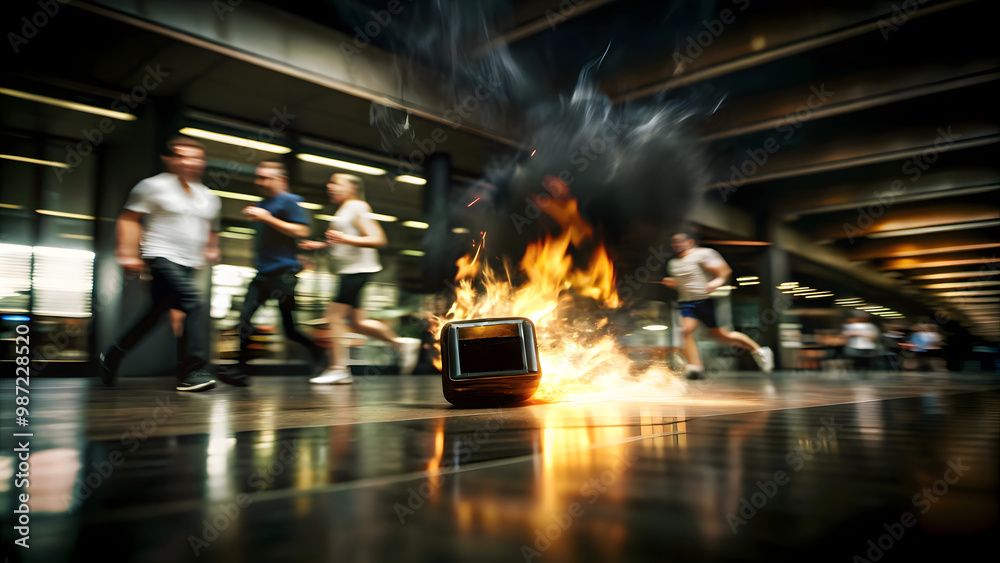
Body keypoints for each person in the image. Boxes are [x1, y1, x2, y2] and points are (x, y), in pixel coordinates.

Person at [98, 136, 221, 392]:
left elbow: (210, 227)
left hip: (188, 263)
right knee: (193, 302)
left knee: (154, 316)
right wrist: (127, 251)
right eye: (182, 156)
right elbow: (129, 219)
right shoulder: (152, 187)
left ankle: (112, 355)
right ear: (170, 159)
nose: (190, 162)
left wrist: (211, 247)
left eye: (196, 157)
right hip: (161, 257)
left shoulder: (208, 196)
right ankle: (190, 371)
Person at [217, 161, 326, 387]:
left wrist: (266, 217)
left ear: (280, 179)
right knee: (244, 319)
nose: (261, 182)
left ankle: (318, 351)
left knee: (289, 329)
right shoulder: (262, 203)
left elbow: (302, 230)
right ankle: (240, 371)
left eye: (266, 177)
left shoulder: (290, 200)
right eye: (259, 177)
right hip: (262, 275)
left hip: (284, 275)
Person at [300, 173, 401, 384]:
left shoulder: (358, 207)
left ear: (352, 188)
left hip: (357, 271)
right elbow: (344, 241)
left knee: (334, 316)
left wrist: (346, 238)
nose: (330, 186)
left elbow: (378, 239)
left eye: (336, 183)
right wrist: (321, 245)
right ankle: (401, 343)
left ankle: (338, 368)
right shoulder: (345, 209)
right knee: (358, 322)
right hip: (350, 270)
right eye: (330, 182)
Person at [660, 232, 773, 378]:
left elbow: (724, 271)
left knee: (722, 336)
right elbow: (683, 282)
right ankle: (695, 367)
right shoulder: (674, 263)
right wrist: (673, 283)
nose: (677, 245)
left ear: (690, 241)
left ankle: (759, 350)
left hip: (705, 300)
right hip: (687, 303)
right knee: (685, 331)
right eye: (674, 242)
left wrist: (715, 283)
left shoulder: (704, 254)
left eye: (680, 241)